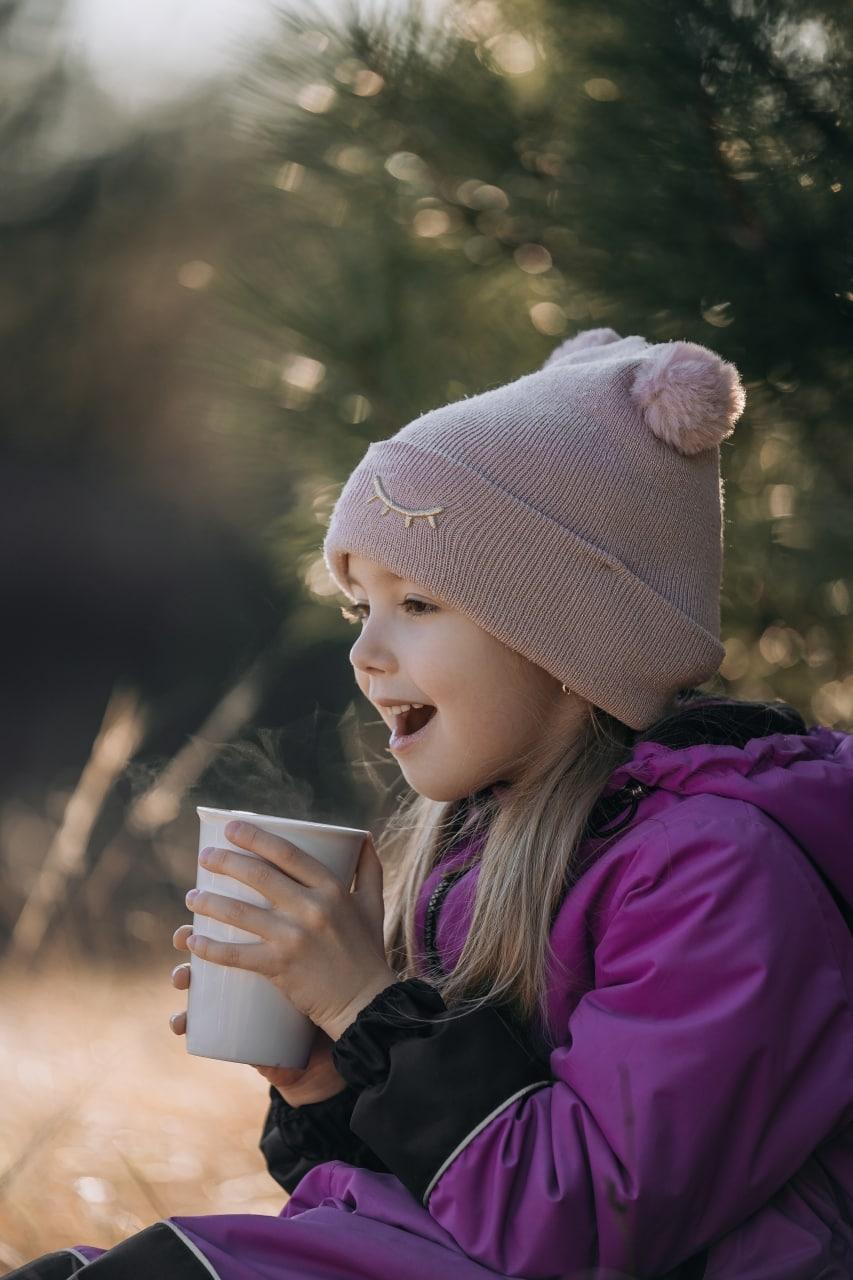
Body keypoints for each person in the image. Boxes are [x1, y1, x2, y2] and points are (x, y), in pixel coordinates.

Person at [9, 328, 851, 1280]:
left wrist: (369, 1008)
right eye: (356, 606)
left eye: (415, 603)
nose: (365, 653)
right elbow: (431, 1210)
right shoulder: (483, 846)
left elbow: (582, 1231)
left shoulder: (717, 871)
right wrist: (325, 1080)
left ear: (568, 637)